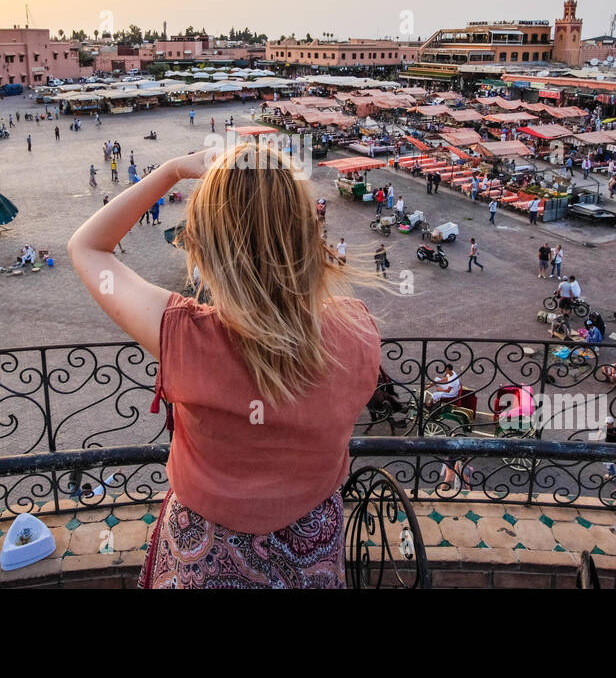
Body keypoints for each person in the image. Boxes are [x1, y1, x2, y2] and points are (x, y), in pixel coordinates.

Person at [67, 142, 381, 589]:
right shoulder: (358, 331)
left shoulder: (184, 336)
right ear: (310, 235)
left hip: (204, 548)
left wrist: (172, 170)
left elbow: (88, 248)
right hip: (314, 543)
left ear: (200, 247)